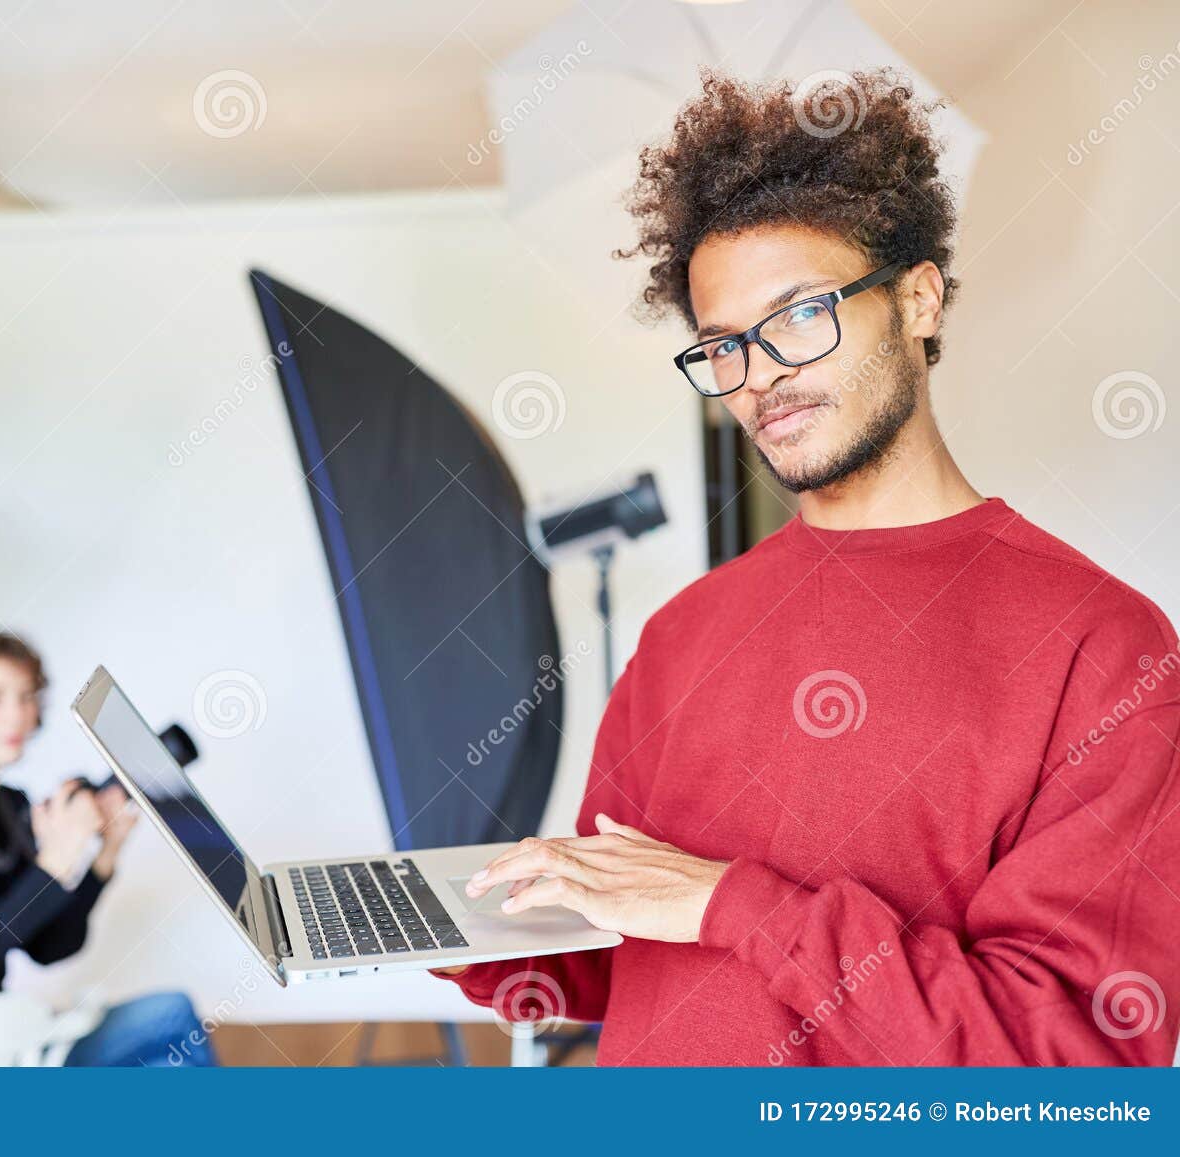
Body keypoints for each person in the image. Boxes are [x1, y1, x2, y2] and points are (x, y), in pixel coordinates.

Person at [436, 68, 1180, 1066]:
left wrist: (735, 901)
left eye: (798, 314)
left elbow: (1066, 1060)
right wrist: (476, 928)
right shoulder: (680, 634)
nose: (762, 377)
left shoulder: (1102, 648)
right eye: (724, 347)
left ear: (916, 299)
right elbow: (633, 953)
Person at [0, 631, 214, 1067]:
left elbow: (50, 946)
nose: (17, 714)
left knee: (172, 1020)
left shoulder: (11, 808)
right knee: (166, 1025)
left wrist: (101, 857)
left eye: (26, 697)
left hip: (0, 1040)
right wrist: (54, 862)